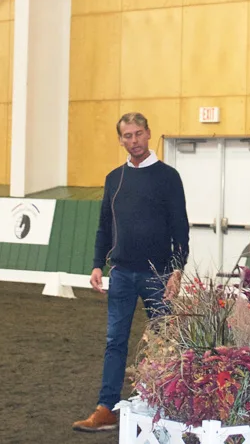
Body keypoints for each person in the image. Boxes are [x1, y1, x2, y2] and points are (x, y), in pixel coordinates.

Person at [72, 112, 190, 432]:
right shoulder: (114, 178)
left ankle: (165, 408)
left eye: (138, 134)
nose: (134, 141)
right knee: (115, 342)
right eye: (127, 136)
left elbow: (181, 228)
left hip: (159, 275)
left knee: (164, 341)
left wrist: (177, 270)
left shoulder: (168, 177)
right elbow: (104, 227)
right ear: (120, 139)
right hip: (121, 274)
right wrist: (98, 264)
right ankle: (106, 408)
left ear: (149, 134)